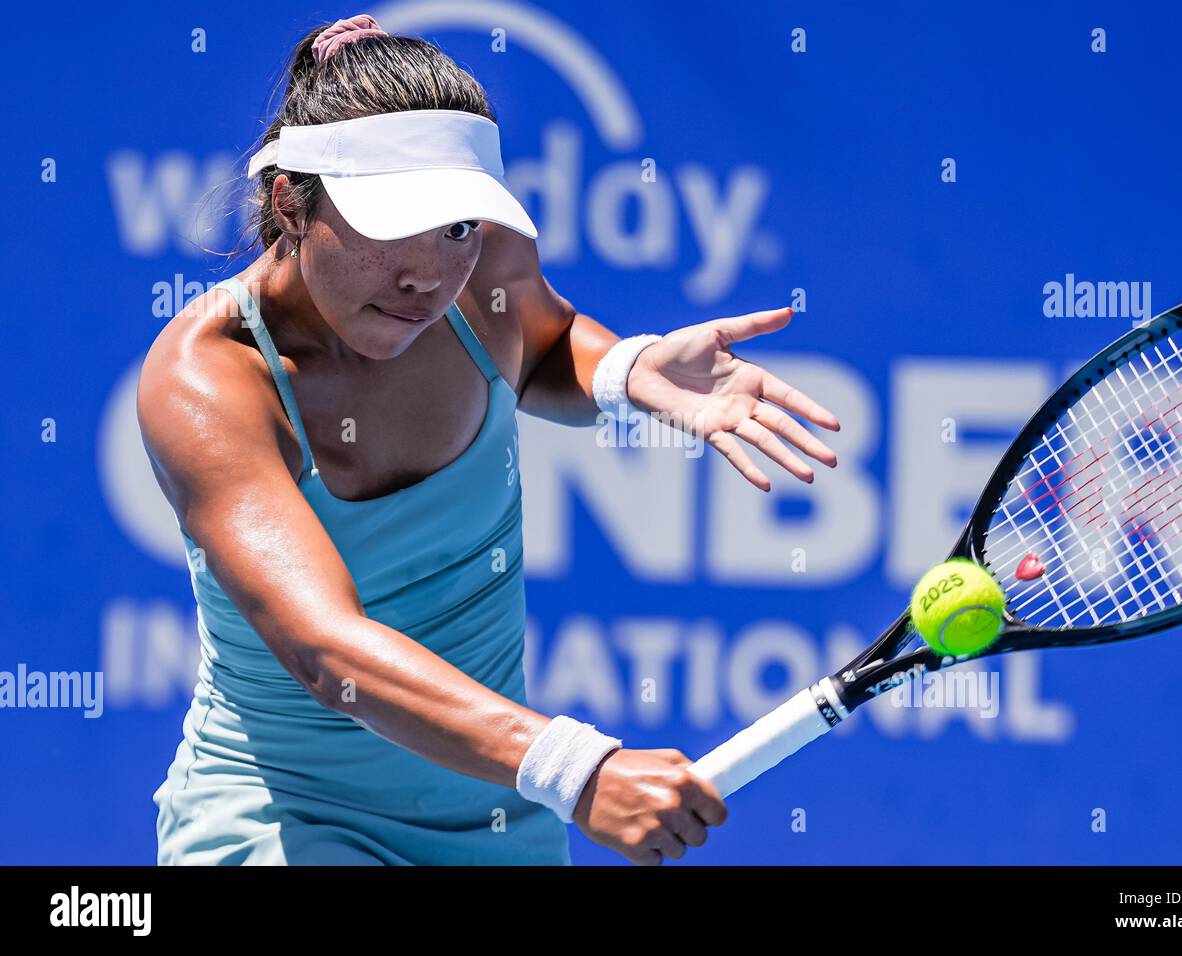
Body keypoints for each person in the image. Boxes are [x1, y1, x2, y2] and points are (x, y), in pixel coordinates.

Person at [143, 14, 840, 866]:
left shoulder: (486, 259)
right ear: (291, 198)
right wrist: (576, 768)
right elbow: (324, 648)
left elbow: (539, 345)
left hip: (500, 820)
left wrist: (625, 369)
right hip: (281, 821)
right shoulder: (206, 377)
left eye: (456, 229)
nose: (427, 274)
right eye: (390, 224)